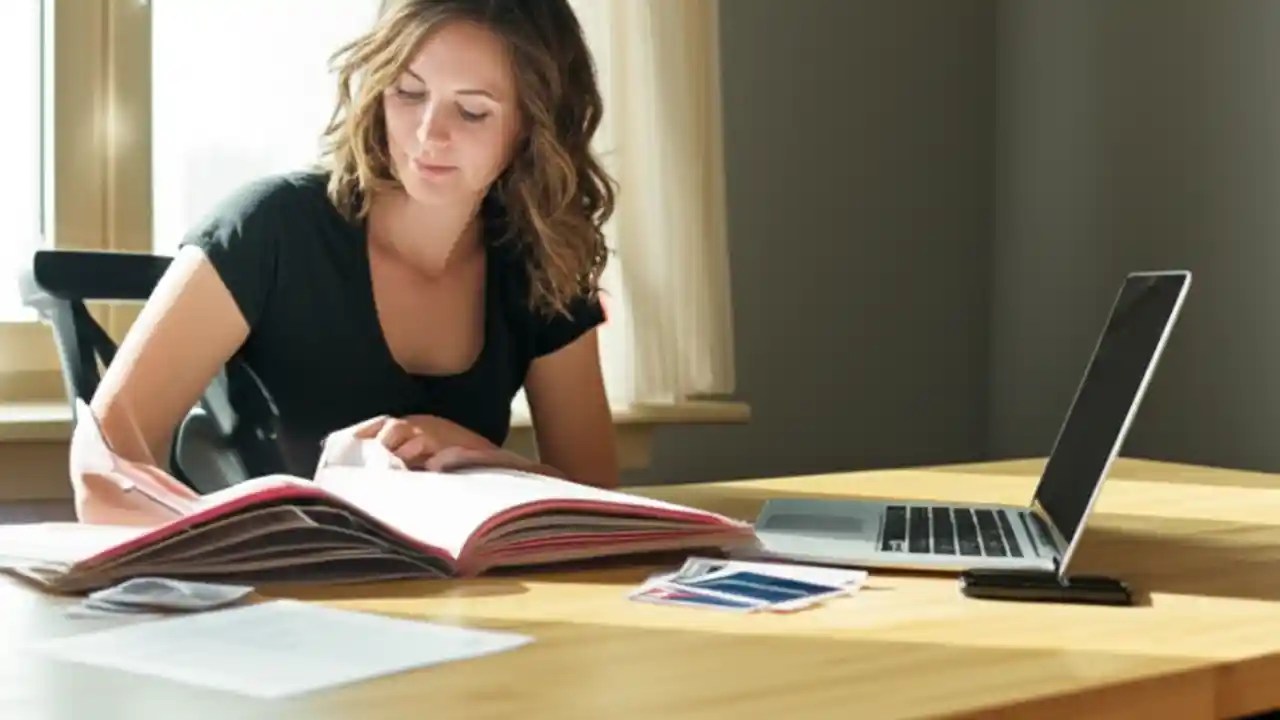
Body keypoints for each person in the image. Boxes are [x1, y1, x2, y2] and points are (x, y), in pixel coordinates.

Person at [85, 0, 621, 490]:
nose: (428, 133)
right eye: (408, 93)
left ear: (535, 125)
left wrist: (476, 455)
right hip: (274, 584)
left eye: (472, 110)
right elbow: (106, 461)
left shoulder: (540, 263)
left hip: (460, 593)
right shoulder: (269, 228)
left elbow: (595, 497)